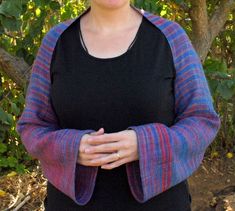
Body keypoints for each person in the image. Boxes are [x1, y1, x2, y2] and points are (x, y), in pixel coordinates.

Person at [16, 0, 221, 210]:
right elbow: (32, 126)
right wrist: (71, 147)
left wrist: (147, 144)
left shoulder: (170, 37)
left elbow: (202, 121)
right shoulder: (56, 42)